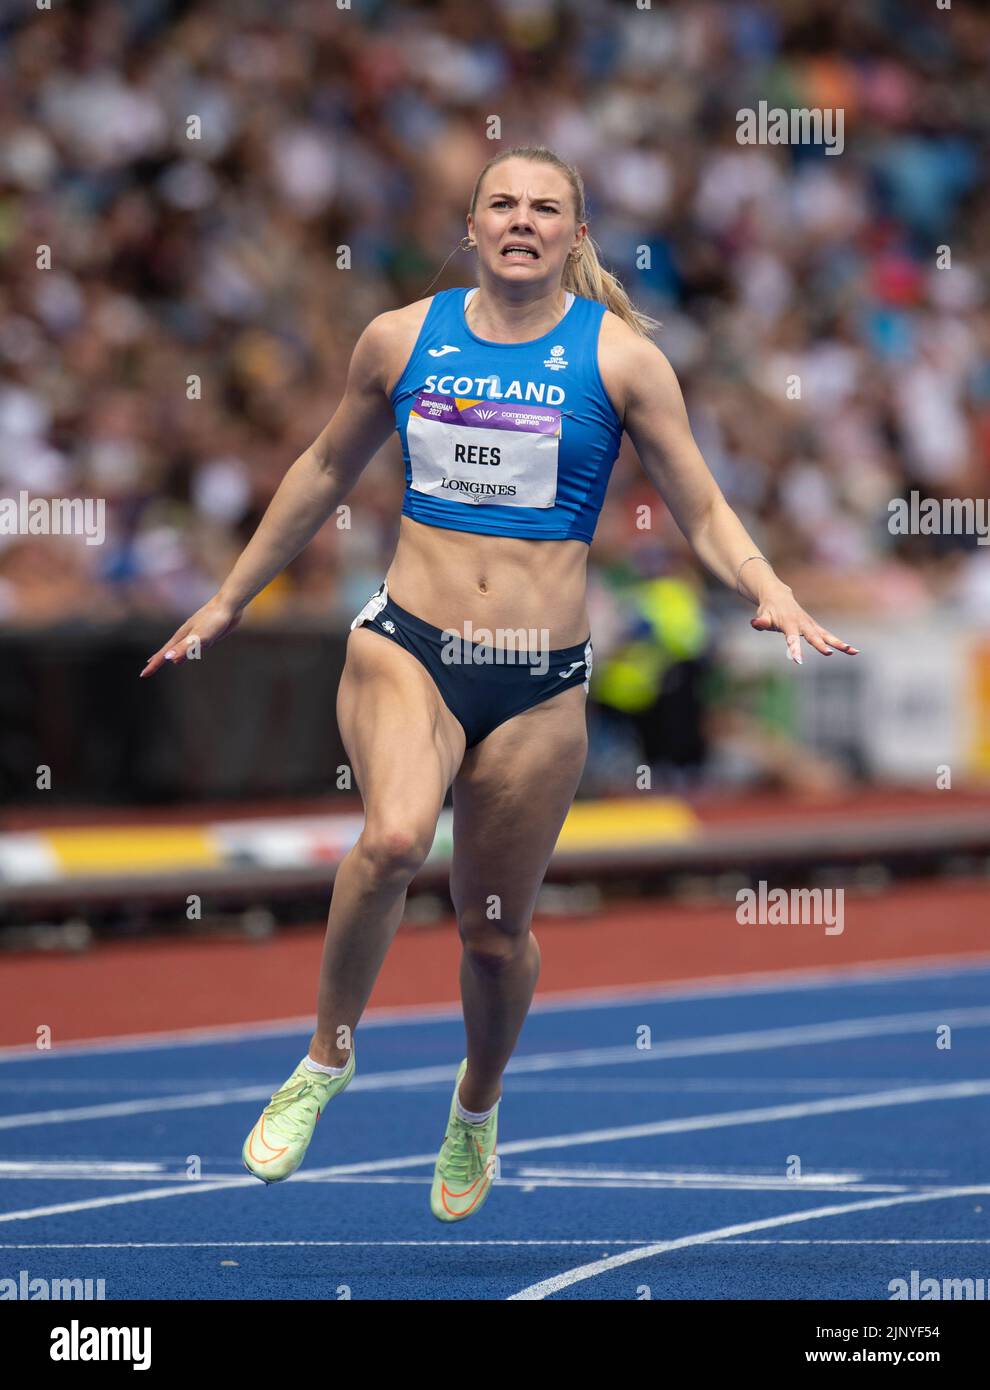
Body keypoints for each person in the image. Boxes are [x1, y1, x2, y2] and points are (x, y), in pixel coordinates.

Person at [141, 145, 858, 1222]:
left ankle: (476, 1101)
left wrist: (771, 587)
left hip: (538, 682)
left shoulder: (621, 361)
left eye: (546, 207)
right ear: (470, 224)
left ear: (576, 234)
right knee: (390, 840)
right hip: (409, 647)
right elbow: (325, 467)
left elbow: (703, 506)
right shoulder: (400, 337)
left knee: (492, 930)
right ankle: (326, 1057)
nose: (521, 220)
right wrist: (231, 597)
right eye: (502, 203)